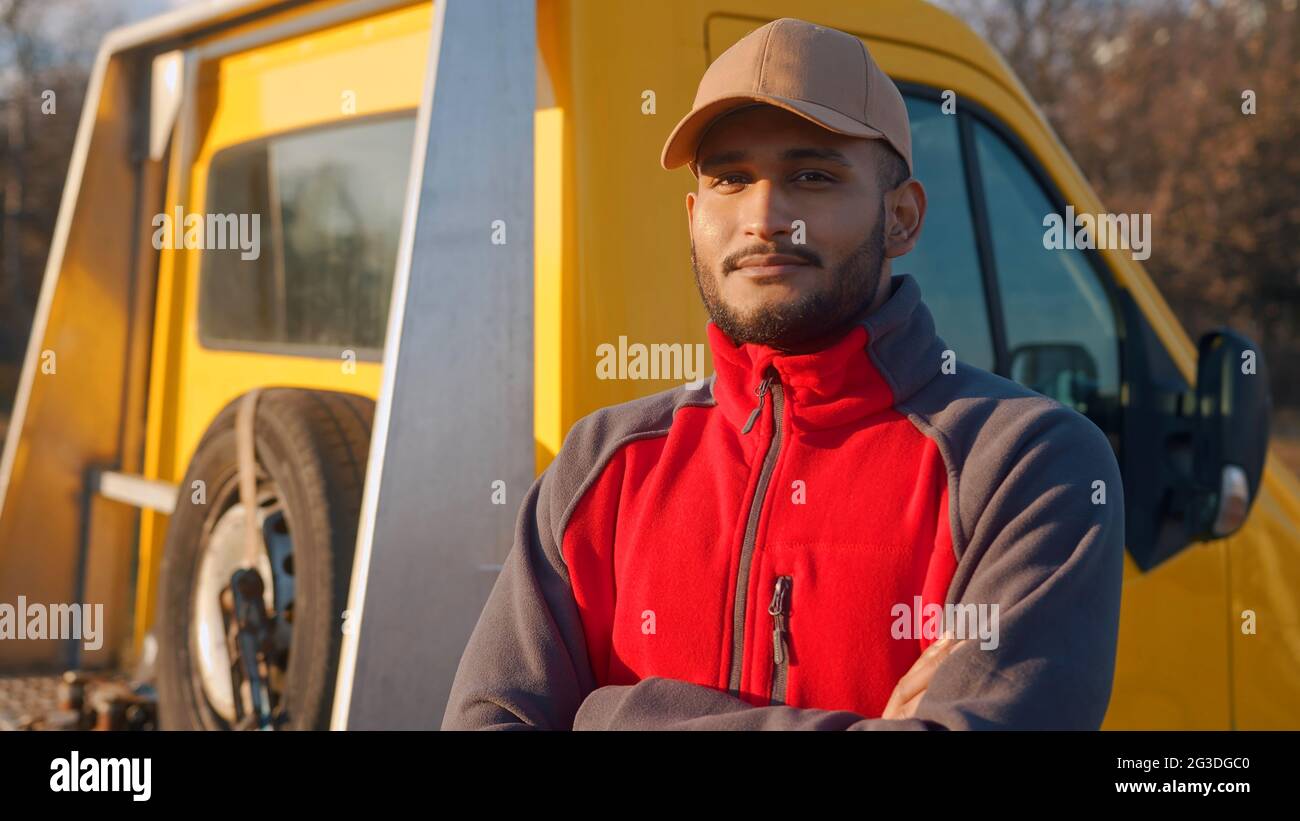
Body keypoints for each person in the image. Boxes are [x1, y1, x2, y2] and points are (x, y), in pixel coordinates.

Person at [442, 17, 1124, 730]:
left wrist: (612, 714)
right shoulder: (600, 464)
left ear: (902, 217)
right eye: (731, 178)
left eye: (812, 175)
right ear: (693, 214)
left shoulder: (1026, 463)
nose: (764, 216)